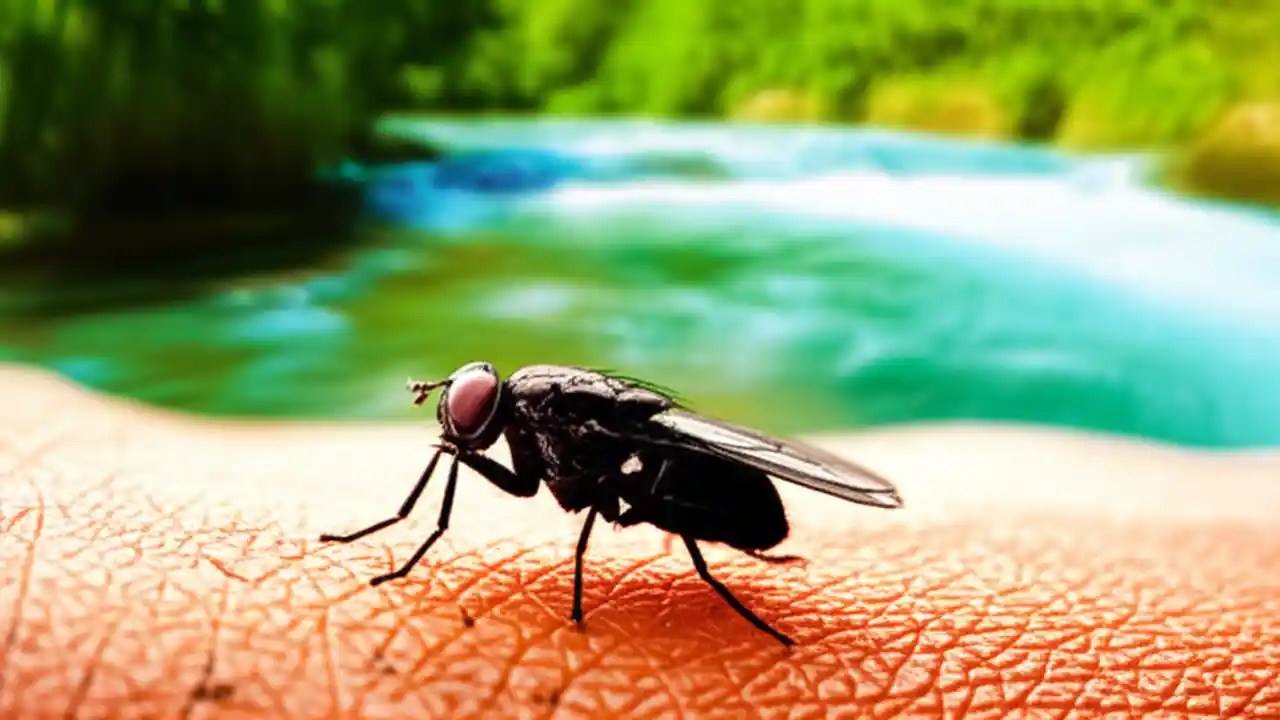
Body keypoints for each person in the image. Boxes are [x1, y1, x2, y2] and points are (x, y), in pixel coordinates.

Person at [1, 365, 1277, 718]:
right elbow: (577, 471)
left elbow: (645, 477)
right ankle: (406, 535)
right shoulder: (521, 421)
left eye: (471, 409)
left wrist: (599, 566)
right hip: (660, 467)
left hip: (716, 497)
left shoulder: (545, 418)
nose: (463, 423)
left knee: (649, 484)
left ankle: (715, 577)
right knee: (626, 481)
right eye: (468, 406)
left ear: (507, 405)